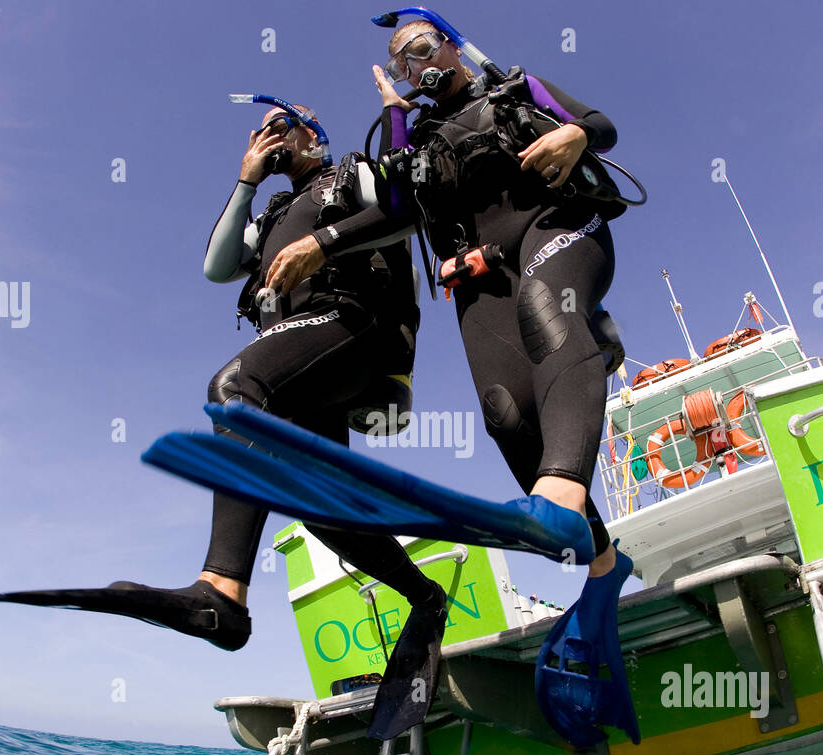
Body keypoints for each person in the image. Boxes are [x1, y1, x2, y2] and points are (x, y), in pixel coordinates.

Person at [0, 105, 450, 679]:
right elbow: (216, 267)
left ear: (316, 133)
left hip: (351, 328)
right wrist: (247, 179)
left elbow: (407, 212)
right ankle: (426, 596)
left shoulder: (350, 173)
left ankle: (222, 591)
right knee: (319, 508)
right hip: (299, 360)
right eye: (268, 129)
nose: (276, 136)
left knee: (235, 386)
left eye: (287, 125)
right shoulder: (275, 210)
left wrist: (323, 243)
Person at [262, 23, 624, 583]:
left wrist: (576, 136)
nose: (414, 65)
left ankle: (560, 493)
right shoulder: (421, 133)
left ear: (453, 45)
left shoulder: (514, 87)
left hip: (559, 226)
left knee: (546, 306)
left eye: (421, 47)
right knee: (506, 415)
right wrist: (323, 237)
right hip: (483, 273)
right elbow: (394, 205)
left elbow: (602, 126)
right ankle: (602, 563)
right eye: (401, 63)